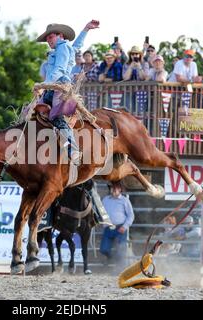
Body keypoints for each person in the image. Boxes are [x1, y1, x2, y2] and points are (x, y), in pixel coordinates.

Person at [36, 20, 100, 165]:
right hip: (53, 88)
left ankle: (73, 150)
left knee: (55, 118)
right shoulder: (64, 48)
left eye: (50, 37)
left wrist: (44, 86)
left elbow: (59, 69)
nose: (48, 41)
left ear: (60, 36)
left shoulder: (62, 48)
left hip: (58, 88)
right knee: (36, 115)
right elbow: (77, 46)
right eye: (47, 39)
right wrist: (86, 29)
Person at [99, 181, 134, 270]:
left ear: (120, 189)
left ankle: (119, 269)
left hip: (120, 228)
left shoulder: (124, 200)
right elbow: (100, 211)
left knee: (121, 250)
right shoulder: (105, 200)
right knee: (104, 249)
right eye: (112, 188)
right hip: (108, 227)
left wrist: (125, 226)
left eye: (116, 188)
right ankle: (111, 258)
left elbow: (131, 215)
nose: (114, 190)